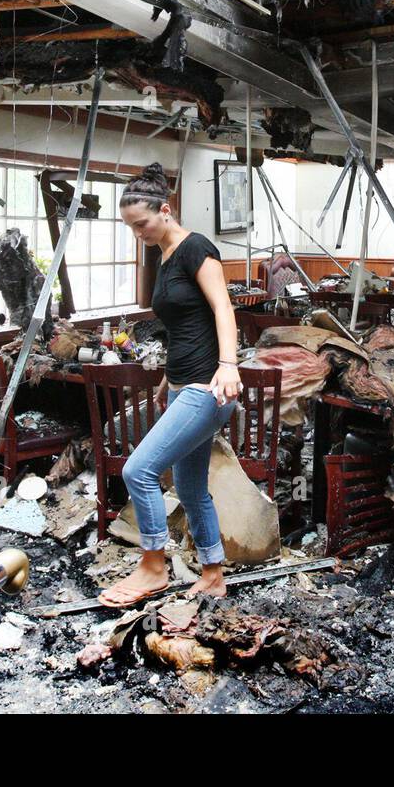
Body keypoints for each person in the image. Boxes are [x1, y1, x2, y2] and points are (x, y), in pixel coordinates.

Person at [98, 163, 242, 607]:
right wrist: (167, 378)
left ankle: (154, 566)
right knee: (192, 487)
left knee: (137, 470)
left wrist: (230, 365)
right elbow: (186, 324)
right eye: (130, 226)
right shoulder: (162, 253)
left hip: (208, 389)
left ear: (165, 209)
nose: (136, 232)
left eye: (141, 223)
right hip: (183, 385)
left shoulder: (197, 249)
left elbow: (222, 309)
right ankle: (213, 572)